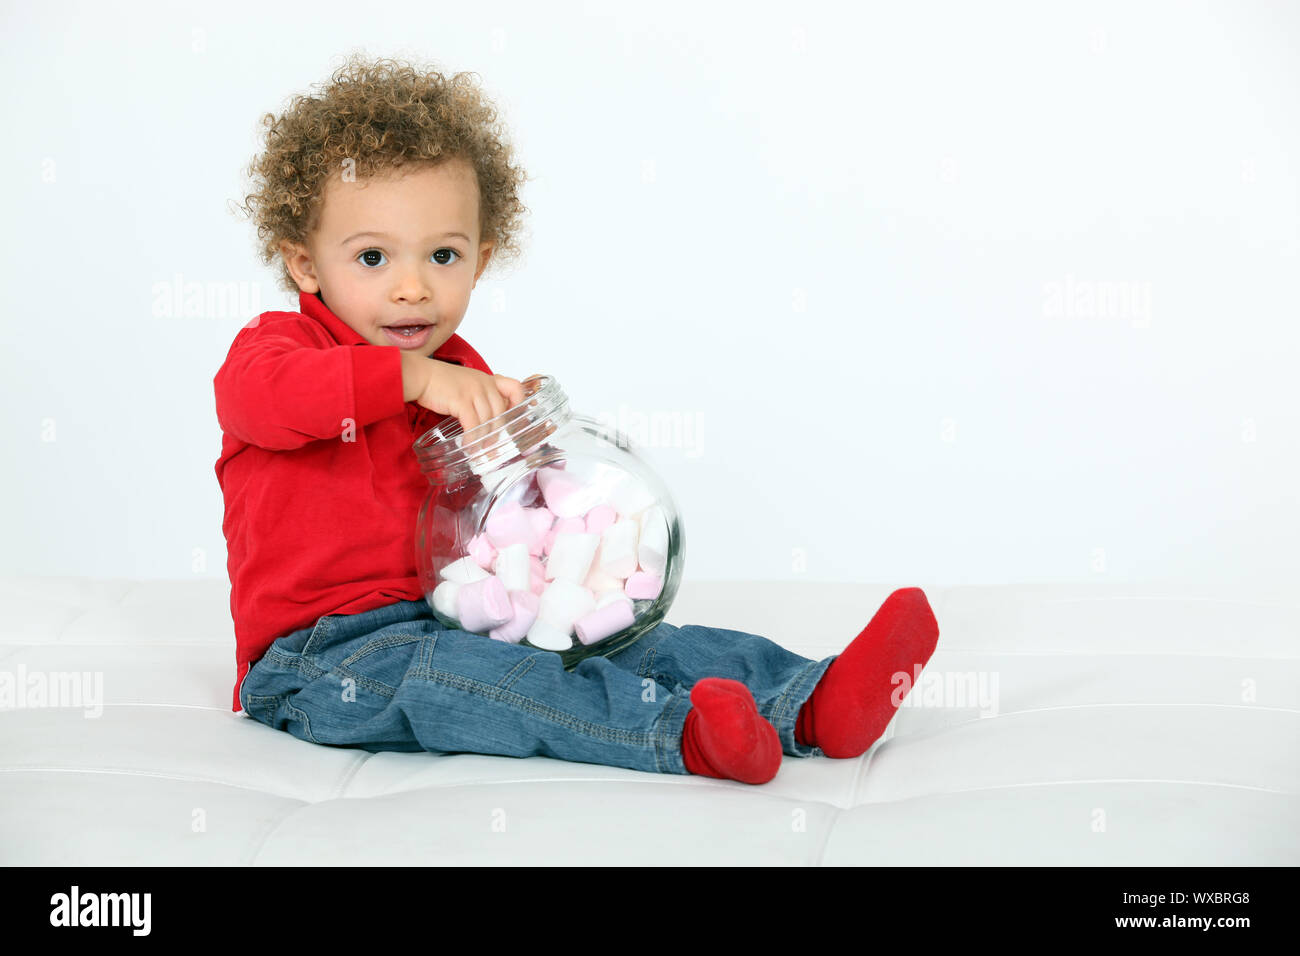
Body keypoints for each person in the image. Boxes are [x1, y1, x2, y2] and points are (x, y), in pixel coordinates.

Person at [217, 52, 939, 786]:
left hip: (463, 612)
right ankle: (685, 738)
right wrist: (411, 376)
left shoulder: (460, 372)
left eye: (442, 255)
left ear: (481, 258)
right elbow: (264, 398)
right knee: (467, 681)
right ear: (306, 267)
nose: (412, 288)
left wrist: (525, 453)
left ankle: (815, 702)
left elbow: (493, 524)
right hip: (320, 656)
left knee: (629, 647)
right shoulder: (280, 350)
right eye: (372, 258)